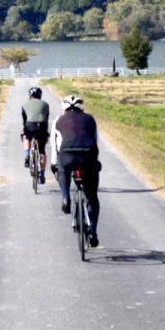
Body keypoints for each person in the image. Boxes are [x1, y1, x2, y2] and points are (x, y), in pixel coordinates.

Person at [50, 94, 101, 247]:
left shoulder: (58, 120)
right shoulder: (90, 119)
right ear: (81, 108)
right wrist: (95, 162)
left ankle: (66, 198)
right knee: (92, 197)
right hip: (88, 155)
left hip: (68, 154)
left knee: (63, 170)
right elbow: (95, 141)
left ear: (64, 109)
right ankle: (93, 231)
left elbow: (54, 145)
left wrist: (54, 164)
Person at [21, 86, 49, 183]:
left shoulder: (25, 105)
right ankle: (42, 173)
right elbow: (46, 118)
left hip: (30, 125)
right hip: (42, 127)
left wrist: (23, 130)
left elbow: (24, 121)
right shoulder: (46, 105)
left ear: (30, 95)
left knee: (27, 137)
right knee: (42, 151)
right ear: (40, 95)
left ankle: (27, 155)